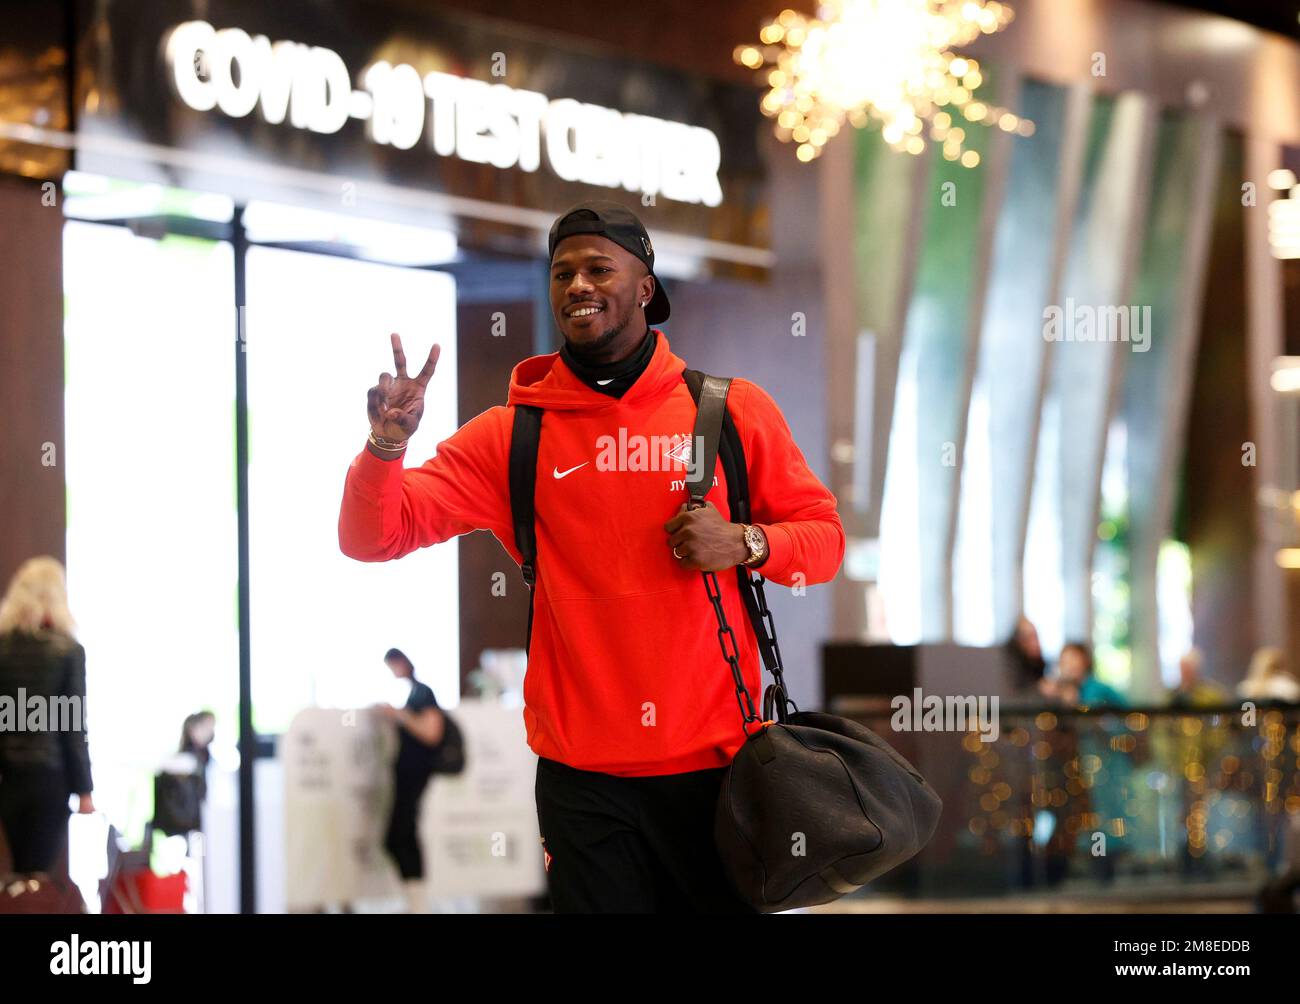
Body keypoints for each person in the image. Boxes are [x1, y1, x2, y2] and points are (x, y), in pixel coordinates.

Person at [339, 200, 845, 913]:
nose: (578, 284)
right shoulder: (510, 437)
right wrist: (387, 447)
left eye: (599, 268)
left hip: (720, 774)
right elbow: (373, 536)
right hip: (583, 787)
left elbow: (823, 541)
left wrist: (747, 541)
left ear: (645, 288)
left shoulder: (730, 412)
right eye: (562, 272)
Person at [0, 557, 94, 876]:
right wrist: (85, 791)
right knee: (40, 876)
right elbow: (72, 726)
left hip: (9, 780)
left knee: (20, 871)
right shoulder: (68, 650)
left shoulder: (2, 647)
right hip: (51, 781)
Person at [373, 648, 445, 913]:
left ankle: (417, 901)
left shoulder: (422, 693)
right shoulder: (413, 693)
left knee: (402, 833)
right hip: (404, 774)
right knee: (398, 834)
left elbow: (432, 733)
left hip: (415, 774)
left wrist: (400, 715)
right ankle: (413, 898)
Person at [1039, 641, 1125, 708]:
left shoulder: (1095, 688)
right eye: (1064, 661)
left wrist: (1074, 703)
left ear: (1085, 661)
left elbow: (1089, 713)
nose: (1068, 666)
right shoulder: (1066, 687)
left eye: (1072, 660)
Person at [1004, 615, 1047, 693]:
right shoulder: (1009, 663)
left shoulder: (1036, 661)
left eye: (1036, 637)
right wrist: (1038, 688)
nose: (1037, 643)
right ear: (1021, 641)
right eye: (1031, 637)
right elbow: (1016, 693)